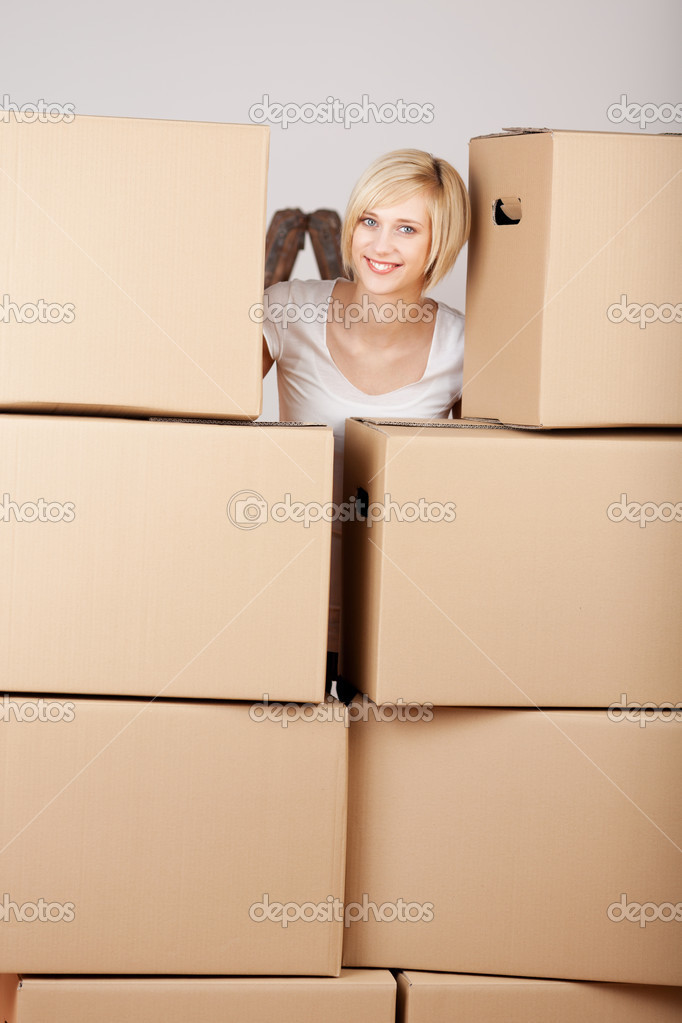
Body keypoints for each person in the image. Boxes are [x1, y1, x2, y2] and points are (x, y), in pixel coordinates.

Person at [262, 148, 470, 697]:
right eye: (370, 221)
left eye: (407, 228)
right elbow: (201, 412)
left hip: (392, 608)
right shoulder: (286, 308)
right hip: (287, 596)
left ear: (440, 243)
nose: (380, 245)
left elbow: (478, 490)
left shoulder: (463, 347)